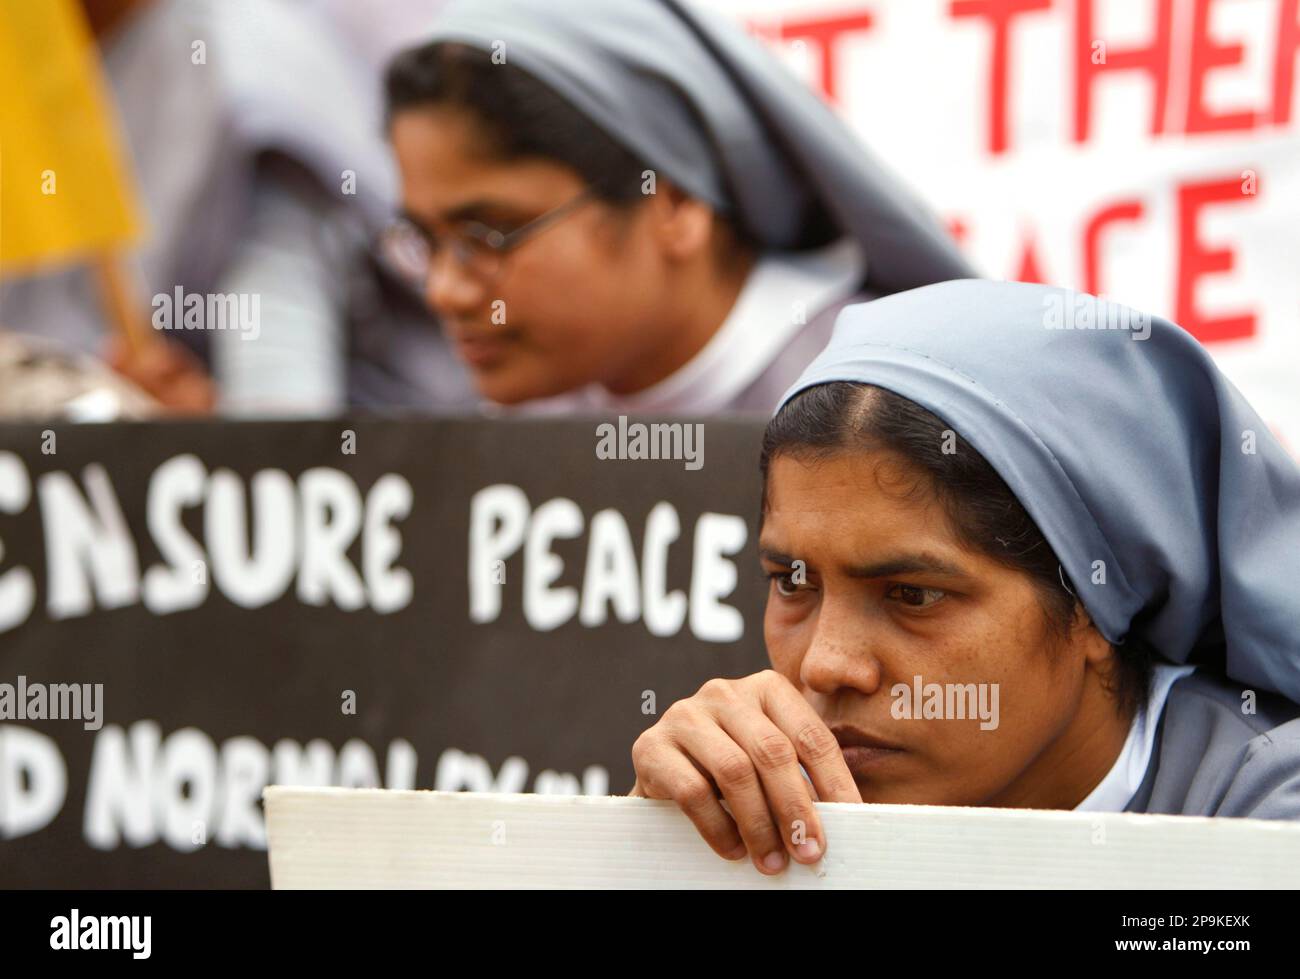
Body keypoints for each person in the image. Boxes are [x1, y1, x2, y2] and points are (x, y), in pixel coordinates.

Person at [629, 279, 1300, 877]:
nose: (827, 666)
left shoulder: (1262, 827)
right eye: (792, 581)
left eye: (913, 594)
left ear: (1097, 602)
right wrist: (650, 856)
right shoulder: (766, 800)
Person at [382, 0, 975, 415]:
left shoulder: (880, 413)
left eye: (489, 234)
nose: (444, 291)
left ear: (675, 202)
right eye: (423, 239)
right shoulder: (521, 421)